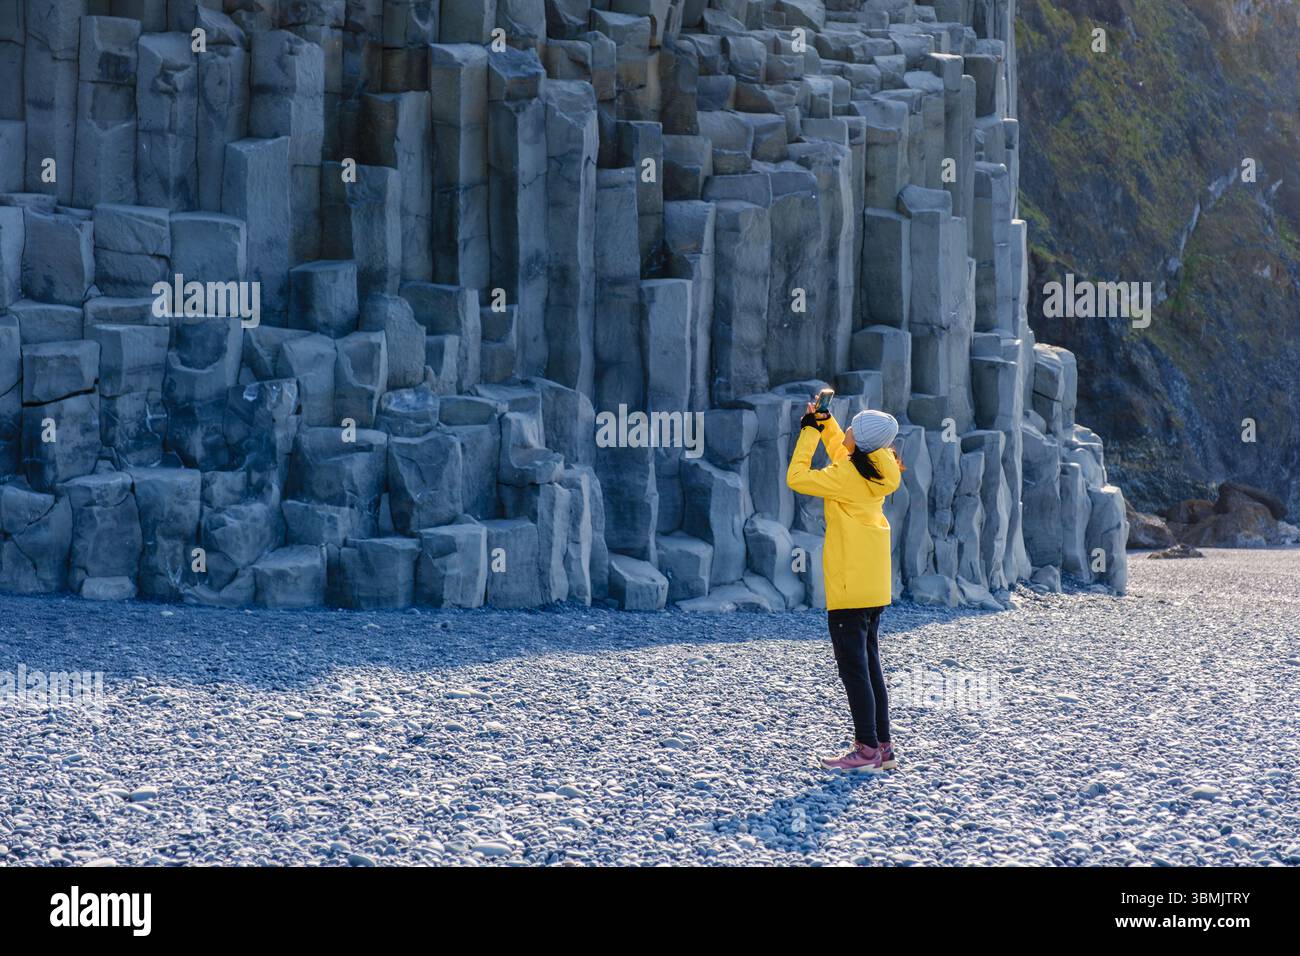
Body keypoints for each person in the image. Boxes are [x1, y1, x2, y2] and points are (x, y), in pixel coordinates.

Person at [786, 402, 903, 773]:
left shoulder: (846, 475)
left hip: (849, 584)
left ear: (862, 439)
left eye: (851, 428)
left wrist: (807, 431)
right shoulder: (881, 463)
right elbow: (847, 451)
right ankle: (882, 747)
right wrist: (826, 423)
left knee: (854, 669)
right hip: (873, 583)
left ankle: (866, 750)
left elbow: (797, 477)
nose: (846, 433)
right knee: (870, 665)